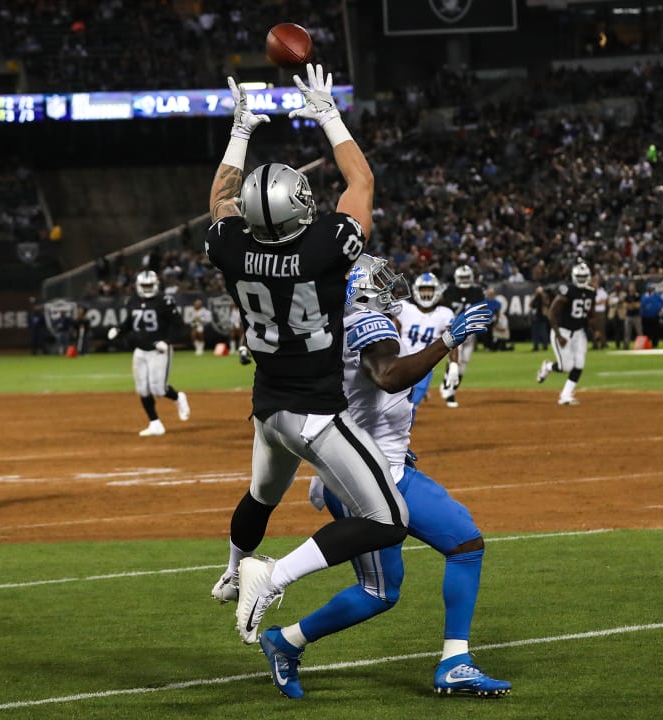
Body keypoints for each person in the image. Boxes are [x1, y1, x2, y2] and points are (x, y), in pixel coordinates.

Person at [203, 65, 488, 646]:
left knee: (261, 495)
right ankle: (269, 576)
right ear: (299, 210)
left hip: (266, 407)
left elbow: (220, 201)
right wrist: (327, 113)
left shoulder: (231, 247)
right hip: (313, 413)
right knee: (388, 521)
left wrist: (240, 130)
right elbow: (360, 180)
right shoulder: (327, 249)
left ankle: (234, 567)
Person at [255, 254, 506, 699]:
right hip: (370, 480)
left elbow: (365, 397)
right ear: (363, 290)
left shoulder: (333, 324)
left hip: (365, 465)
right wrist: (448, 339)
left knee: (423, 568)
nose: (393, 288)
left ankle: (288, 640)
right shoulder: (371, 322)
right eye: (383, 281)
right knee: (416, 572)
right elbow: (388, 377)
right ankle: (287, 631)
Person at [109, 270, 190, 437]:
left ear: (156, 285)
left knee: (158, 389)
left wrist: (166, 342)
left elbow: (180, 326)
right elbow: (130, 322)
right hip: (140, 350)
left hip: (158, 351)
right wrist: (118, 329)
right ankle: (155, 423)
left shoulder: (164, 301)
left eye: (150, 285)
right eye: (144, 286)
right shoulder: (132, 300)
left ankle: (178, 397)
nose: (147, 289)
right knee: (142, 389)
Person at [396, 272, 455, 421]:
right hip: (401, 363)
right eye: (423, 289)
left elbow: (454, 339)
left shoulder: (444, 314)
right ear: (416, 290)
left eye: (429, 289)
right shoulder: (403, 308)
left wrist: (454, 364)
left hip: (424, 367)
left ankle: (400, 442)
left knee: (410, 406)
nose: (426, 293)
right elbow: (392, 333)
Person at [537, 262, 593, 405]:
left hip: (579, 333)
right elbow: (552, 312)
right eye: (579, 276)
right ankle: (548, 366)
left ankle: (566, 395)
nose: (582, 279)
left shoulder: (591, 291)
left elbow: (588, 313)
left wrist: (594, 329)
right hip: (563, 331)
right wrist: (558, 334)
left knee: (579, 364)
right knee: (566, 366)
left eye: (584, 276)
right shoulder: (568, 290)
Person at [439, 265, 486, 407]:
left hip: (470, 333)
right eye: (462, 278)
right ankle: (450, 393)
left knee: (464, 363)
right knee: (455, 361)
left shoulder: (477, 292)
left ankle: (447, 385)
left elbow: (482, 310)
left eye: (467, 278)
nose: (464, 281)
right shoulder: (450, 291)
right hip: (454, 332)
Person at [639, 283, 663, 348]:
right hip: (645, 316)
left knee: (655, 331)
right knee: (646, 331)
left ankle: (655, 344)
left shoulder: (656, 295)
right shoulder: (644, 296)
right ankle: (646, 343)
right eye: (648, 288)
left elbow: (662, 302)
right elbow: (642, 304)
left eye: (651, 288)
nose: (650, 289)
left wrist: (659, 307)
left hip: (654, 316)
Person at [529, 285, 550, 352]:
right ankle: (535, 346)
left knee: (543, 332)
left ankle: (545, 346)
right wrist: (536, 296)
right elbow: (531, 305)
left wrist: (542, 295)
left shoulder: (545, 296)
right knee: (535, 333)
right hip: (536, 317)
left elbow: (547, 303)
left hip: (543, 317)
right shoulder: (535, 297)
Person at [622, 281, 642, 349]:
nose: (631, 288)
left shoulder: (637, 295)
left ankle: (641, 345)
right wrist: (632, 305)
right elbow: (625, 305)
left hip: (636, 316)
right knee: (627, 332)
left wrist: (630, 305)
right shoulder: (626, 296)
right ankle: (626, 346)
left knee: (639, 331)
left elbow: (638, 305)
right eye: (630, 287)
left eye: (632, 287)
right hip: (628, 316)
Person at [592, 280, 609, 350]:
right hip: (593, 312)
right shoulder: (591, 291)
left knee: (601, 328)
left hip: (601, 312)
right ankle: (595, 344)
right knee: (594, 329)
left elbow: (604, 301)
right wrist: (597, 302)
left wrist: (595, 303)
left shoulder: (602, 291)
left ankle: (603, 344)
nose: (593, 284)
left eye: (594, 283)